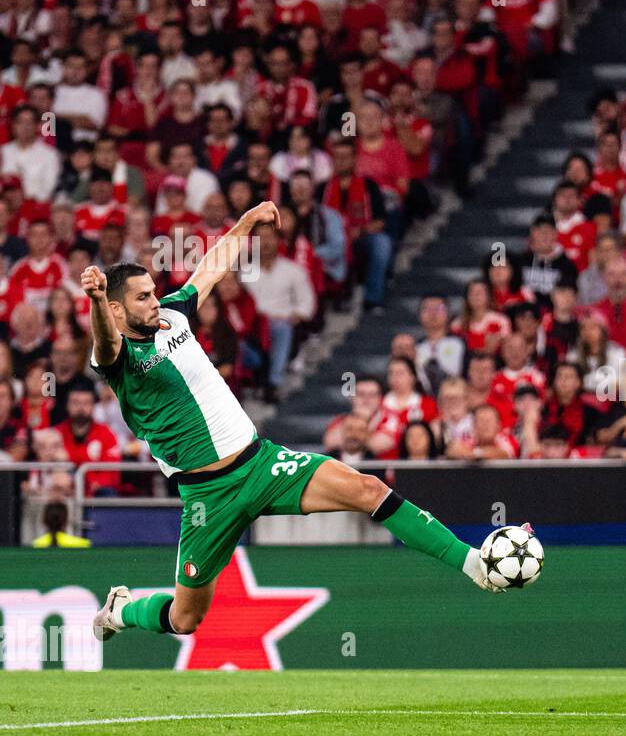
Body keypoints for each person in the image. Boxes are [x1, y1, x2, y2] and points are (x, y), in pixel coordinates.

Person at [86, 201, 496, 647]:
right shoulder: (118, 359)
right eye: (142, 297)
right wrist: (94, 304)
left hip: (261, 464)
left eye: (153, 290)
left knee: (369, 490)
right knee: (186, 619)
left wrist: (246, 222)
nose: (154, 300)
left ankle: (473, 563)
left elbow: (213, 265)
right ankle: (121, 612)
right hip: (207, 496)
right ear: (115, 308)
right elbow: (107, 342)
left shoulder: (175, 315)